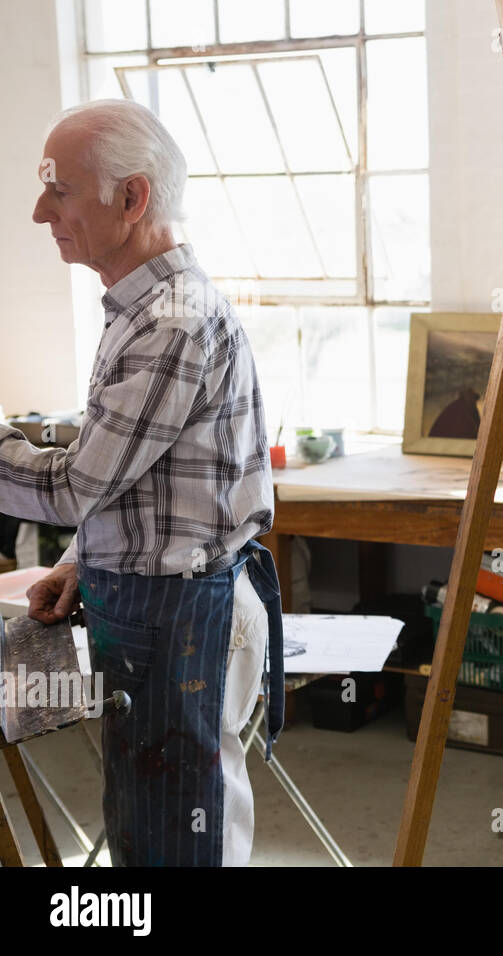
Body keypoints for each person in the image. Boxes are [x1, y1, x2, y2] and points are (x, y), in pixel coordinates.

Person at [1, 99, 284, 866]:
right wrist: (80, 562)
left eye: (59, 189)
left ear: (131, 199)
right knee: (153, 831)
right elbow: (142, 483)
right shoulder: (142, 309)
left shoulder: (169, 321)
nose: (38, 210)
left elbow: (69, 489)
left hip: (184, 614)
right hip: (164, 602)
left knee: (171, 840)